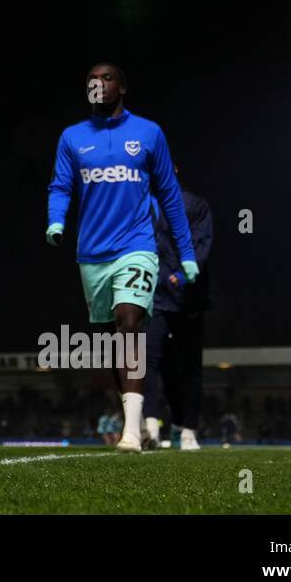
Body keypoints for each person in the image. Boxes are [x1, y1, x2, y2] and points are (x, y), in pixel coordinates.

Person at [46, 64, 198, 453]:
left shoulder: (149, 133)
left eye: (107, 78)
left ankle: (131, 432)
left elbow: (169, 196)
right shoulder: (72, 138)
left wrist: (187, 255)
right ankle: (137, 422)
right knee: (111, 344)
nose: (98, 84)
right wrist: (55, 220)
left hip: (137, 247)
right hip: (92, 253)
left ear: (123, 87)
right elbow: (61, 185)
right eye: (91, 81)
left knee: (128, 322)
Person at [142, 173, 213, 451]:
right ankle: (150, 427)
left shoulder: (195, 204)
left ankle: (188, 430)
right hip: (156, 297)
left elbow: (202, 245)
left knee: (188, 366)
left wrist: (182, 276)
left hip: (187, 299)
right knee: (150, 360)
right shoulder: (146, 205)